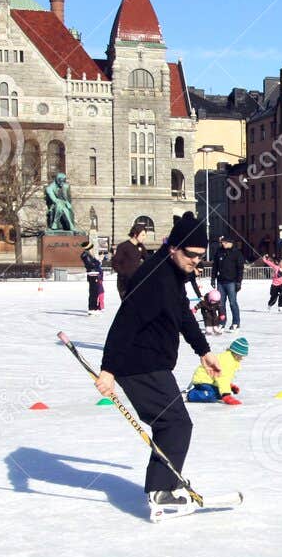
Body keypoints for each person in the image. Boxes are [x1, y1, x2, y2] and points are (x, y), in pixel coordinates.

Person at [95, 212, 223, 516]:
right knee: (174, 424)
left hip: (152, 363)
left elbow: (182, 314)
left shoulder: (174, 275)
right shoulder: (153, 279)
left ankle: (163, 485)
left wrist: (203, 350)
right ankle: (160, 492)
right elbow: (124, 323)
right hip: (138, 364)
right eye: (191, 255)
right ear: (173, 249)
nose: (196, 262)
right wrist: (108, 370)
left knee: (172, 424)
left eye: (200, 257)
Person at [189, 336, 248, 406]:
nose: (242, 358)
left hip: (212, 380)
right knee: (211, 395)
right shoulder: (227, 360)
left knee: (219, 395)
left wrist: (230, 386)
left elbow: (225, 377)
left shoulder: (231, 359)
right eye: (241, 356)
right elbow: (222, 378)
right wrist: (226, 395)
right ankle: (190, 395)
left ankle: (198, 392)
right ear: (236, 353)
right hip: (203, 379)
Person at [211, 235, 246, 328]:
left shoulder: (237, 253)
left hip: (232, 282)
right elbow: (215, 266)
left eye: (224, 242)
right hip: (221, 282)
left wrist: (239, 282)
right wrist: (213, 278)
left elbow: (240, 269)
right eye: (222, 242)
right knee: (221, 304)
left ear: (230, 243)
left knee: (232, 303)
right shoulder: (219, 251)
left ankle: (236, 322)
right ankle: (222, 322)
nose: (222, 244)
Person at [112, 222, 151, 300]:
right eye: (143, 235)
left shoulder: (140, 246)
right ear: (135, 234)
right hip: (125, 283)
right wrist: (124, 274)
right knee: (128, 307)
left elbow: (149, 260)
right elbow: (115, 263)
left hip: (137, 282)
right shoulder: (123, 246)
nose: (145, 237)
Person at [81, 245, 105, 315]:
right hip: (93, 275)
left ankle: (94, 308)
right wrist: (98, 262)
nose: (92, 250)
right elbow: (92, 265)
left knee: (95, 292)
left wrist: (98, 261)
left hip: (94, 275)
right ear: (89, 249)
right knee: (93, 292)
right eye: (91, 249)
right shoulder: (86, 255)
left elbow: (95, 263)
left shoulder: (89, 255)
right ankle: (92, 308)